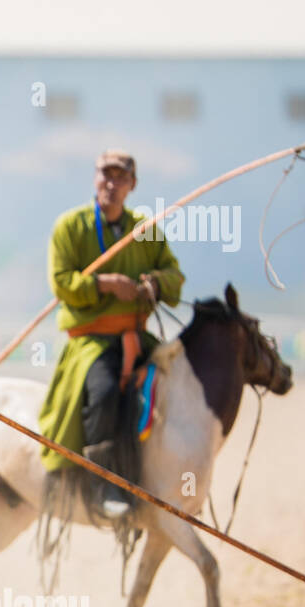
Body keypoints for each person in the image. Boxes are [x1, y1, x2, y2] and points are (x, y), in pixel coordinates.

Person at [37, 150, 184, 518]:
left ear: (132, 185)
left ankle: (164, 477)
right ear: (95, 178)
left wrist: (151, 283)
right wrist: (103, 284)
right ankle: (103, 484)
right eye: (106, 175)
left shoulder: (145, 231)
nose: (111, 183)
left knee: (180, 385)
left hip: (137, 336)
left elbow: (175, 279)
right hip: (92, 341)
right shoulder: (70, 226)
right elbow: (61, 283)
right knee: (103, 394)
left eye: (121, 177)